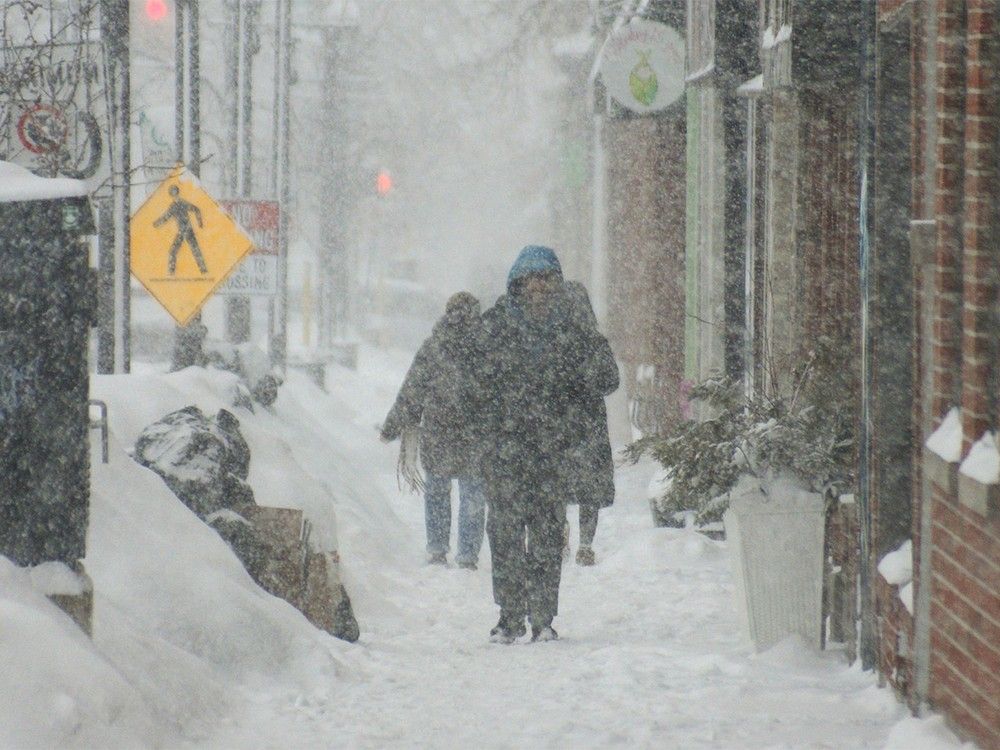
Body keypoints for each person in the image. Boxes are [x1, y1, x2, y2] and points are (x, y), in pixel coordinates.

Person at [480, 246, 618, 643]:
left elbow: (607, 378)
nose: (538, 286)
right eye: (531, 278)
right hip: (505, 454)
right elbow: (473, 383)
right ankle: (509, 616)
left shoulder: (574, 329)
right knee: (504, 536)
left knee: (545, 537)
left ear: (557, 284)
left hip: (553, 454)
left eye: (546, 278)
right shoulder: (496, 326)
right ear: (517, 284)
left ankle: (542, 617)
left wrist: (585, 351)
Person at [380, 292, 487, 569]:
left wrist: (393, 426)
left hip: (439, 431)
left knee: (438, 491)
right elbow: (500, 392)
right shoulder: (487, 347)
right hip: (475, 433)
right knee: (473, 494)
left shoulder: (434, 346)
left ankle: (438, 550)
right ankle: (467, 555)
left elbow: (412, 391)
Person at [562, 281, 618, 566]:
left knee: (556, 482)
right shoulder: (596, 342)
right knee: (589, 488)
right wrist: (590, 384)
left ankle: (559, 532)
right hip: (589, 424)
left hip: (559, 422)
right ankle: (585, 543)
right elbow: (612, 381)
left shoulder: (551, 340)